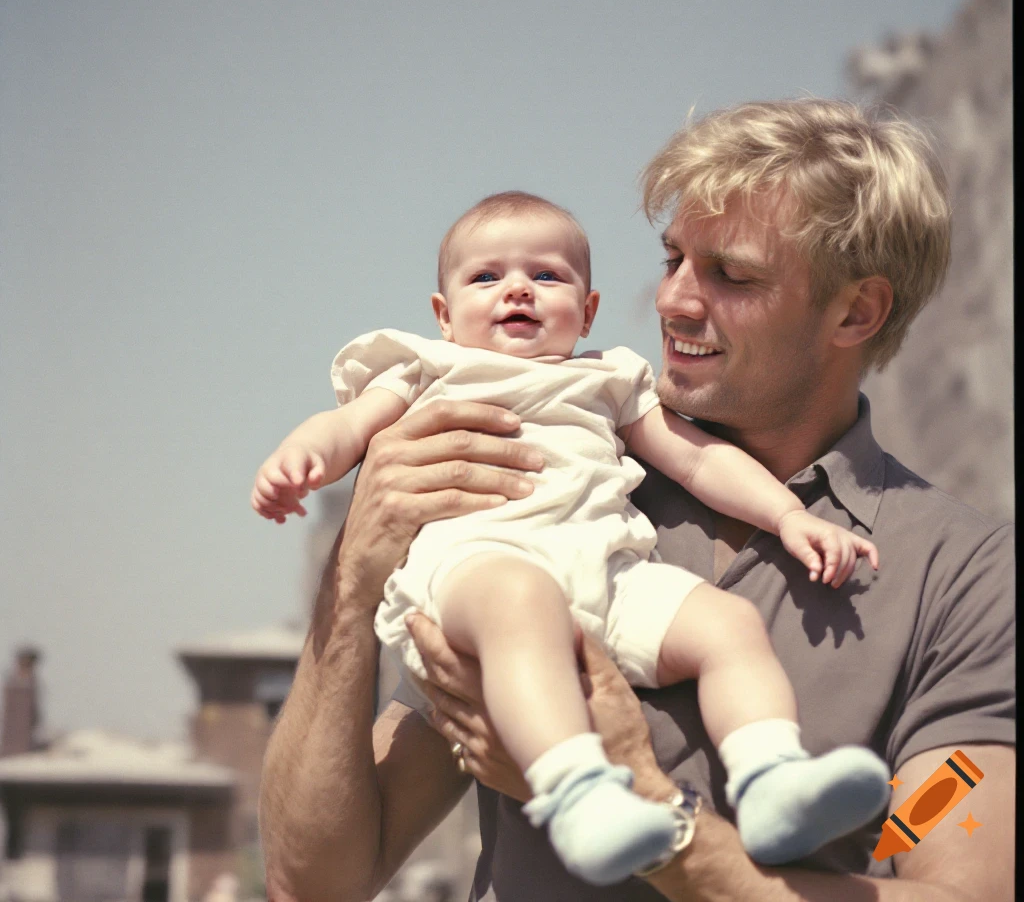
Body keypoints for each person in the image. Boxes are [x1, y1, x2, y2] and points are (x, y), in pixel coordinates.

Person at [258, 99, 1015, 902]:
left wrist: (660, 820)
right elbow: (316, 885)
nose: (671, 301)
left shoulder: (965, 578)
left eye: (731, 275)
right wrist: (353, 579)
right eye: (672, 259)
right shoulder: (536, 477)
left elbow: (957, 887)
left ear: (856, 312)